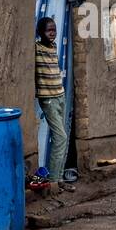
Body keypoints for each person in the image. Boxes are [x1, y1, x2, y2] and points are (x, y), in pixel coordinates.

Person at [34, 16, 73, 189]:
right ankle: (54, 180)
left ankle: (59, 178)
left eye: (54, 30)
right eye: (48, 30)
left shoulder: (54, 47)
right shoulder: (36, 48)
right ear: (40, 32)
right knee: (61, 137)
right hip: (48, 99)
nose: (52, 33)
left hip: (60, 96)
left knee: (60, 138)